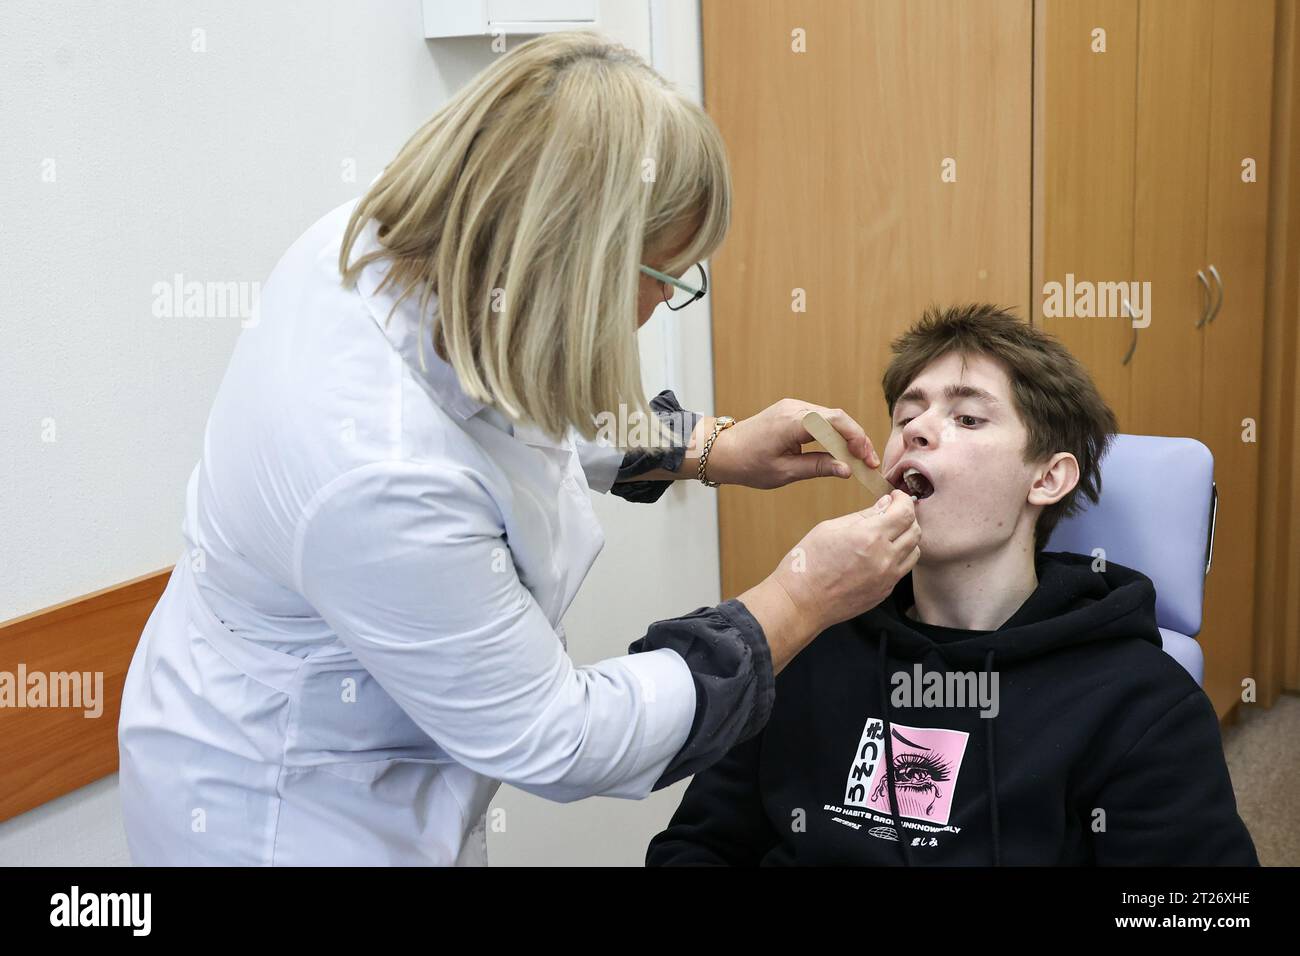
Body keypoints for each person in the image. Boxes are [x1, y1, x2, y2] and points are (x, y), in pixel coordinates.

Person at [116, 31, 921, 866]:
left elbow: (524, 384)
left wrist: (704, 445)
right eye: (669, 278)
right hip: (292, 815)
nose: (659, 306)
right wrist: (800, 600)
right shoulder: (378, 472)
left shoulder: (416, 260)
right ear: (580, 265)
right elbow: (562, 738)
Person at [647, 304, 1258, 866]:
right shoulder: (805, 643)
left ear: (1047, 477)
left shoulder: (1139, 701)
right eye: (906, 416)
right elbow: (697, 847)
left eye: (967, 417)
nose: (916, 431)